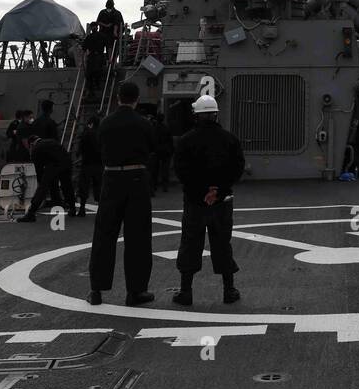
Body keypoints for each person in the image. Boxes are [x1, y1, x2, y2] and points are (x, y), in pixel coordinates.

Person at [172, 94, 246, 306]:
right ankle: (229, 290)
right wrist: (218, 192)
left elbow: (181, 171)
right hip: (222, 202)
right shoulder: (229, 139)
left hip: (195, 202)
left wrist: (201, 193)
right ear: (215, 114)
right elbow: (237, 168)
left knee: (190, 244)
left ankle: (186, 292)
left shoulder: (186, 140)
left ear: (196, 115)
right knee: (222, 244)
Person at [87, 80, 156, 307]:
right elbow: (154, 149)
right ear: (136, 99)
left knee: (104, 235)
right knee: (138, 237)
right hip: (137, 179)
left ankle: (96, 290)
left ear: (118, 98)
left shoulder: (105, 123)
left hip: (111, 178)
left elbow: (98, 149)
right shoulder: (143, 123)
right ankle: (135, 292)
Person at [18, 137, 76, 221]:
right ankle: (72, 208)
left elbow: (38, 169)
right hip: (66, 162)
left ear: (31, 144)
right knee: (67, 186)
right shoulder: (52, 141)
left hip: (53, 166)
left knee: (43, 188)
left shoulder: (36, 149)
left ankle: (31, 212)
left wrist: (40, 181)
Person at [139, 103, 173, 194]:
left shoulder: (153, 128)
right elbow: (170, 140)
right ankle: (165, 186)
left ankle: (153, 187)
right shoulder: (166, 128)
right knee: (165, 170)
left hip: (156, 151)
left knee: (154, 170)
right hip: (165, 150)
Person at [77, 115, 103, 217]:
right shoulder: (101, 134)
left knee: (84, 186)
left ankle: (82, 208)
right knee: (99, 186)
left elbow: (80, 148)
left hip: (87, 163)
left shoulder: (86, 133)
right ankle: (100, 209)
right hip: (99, 163)